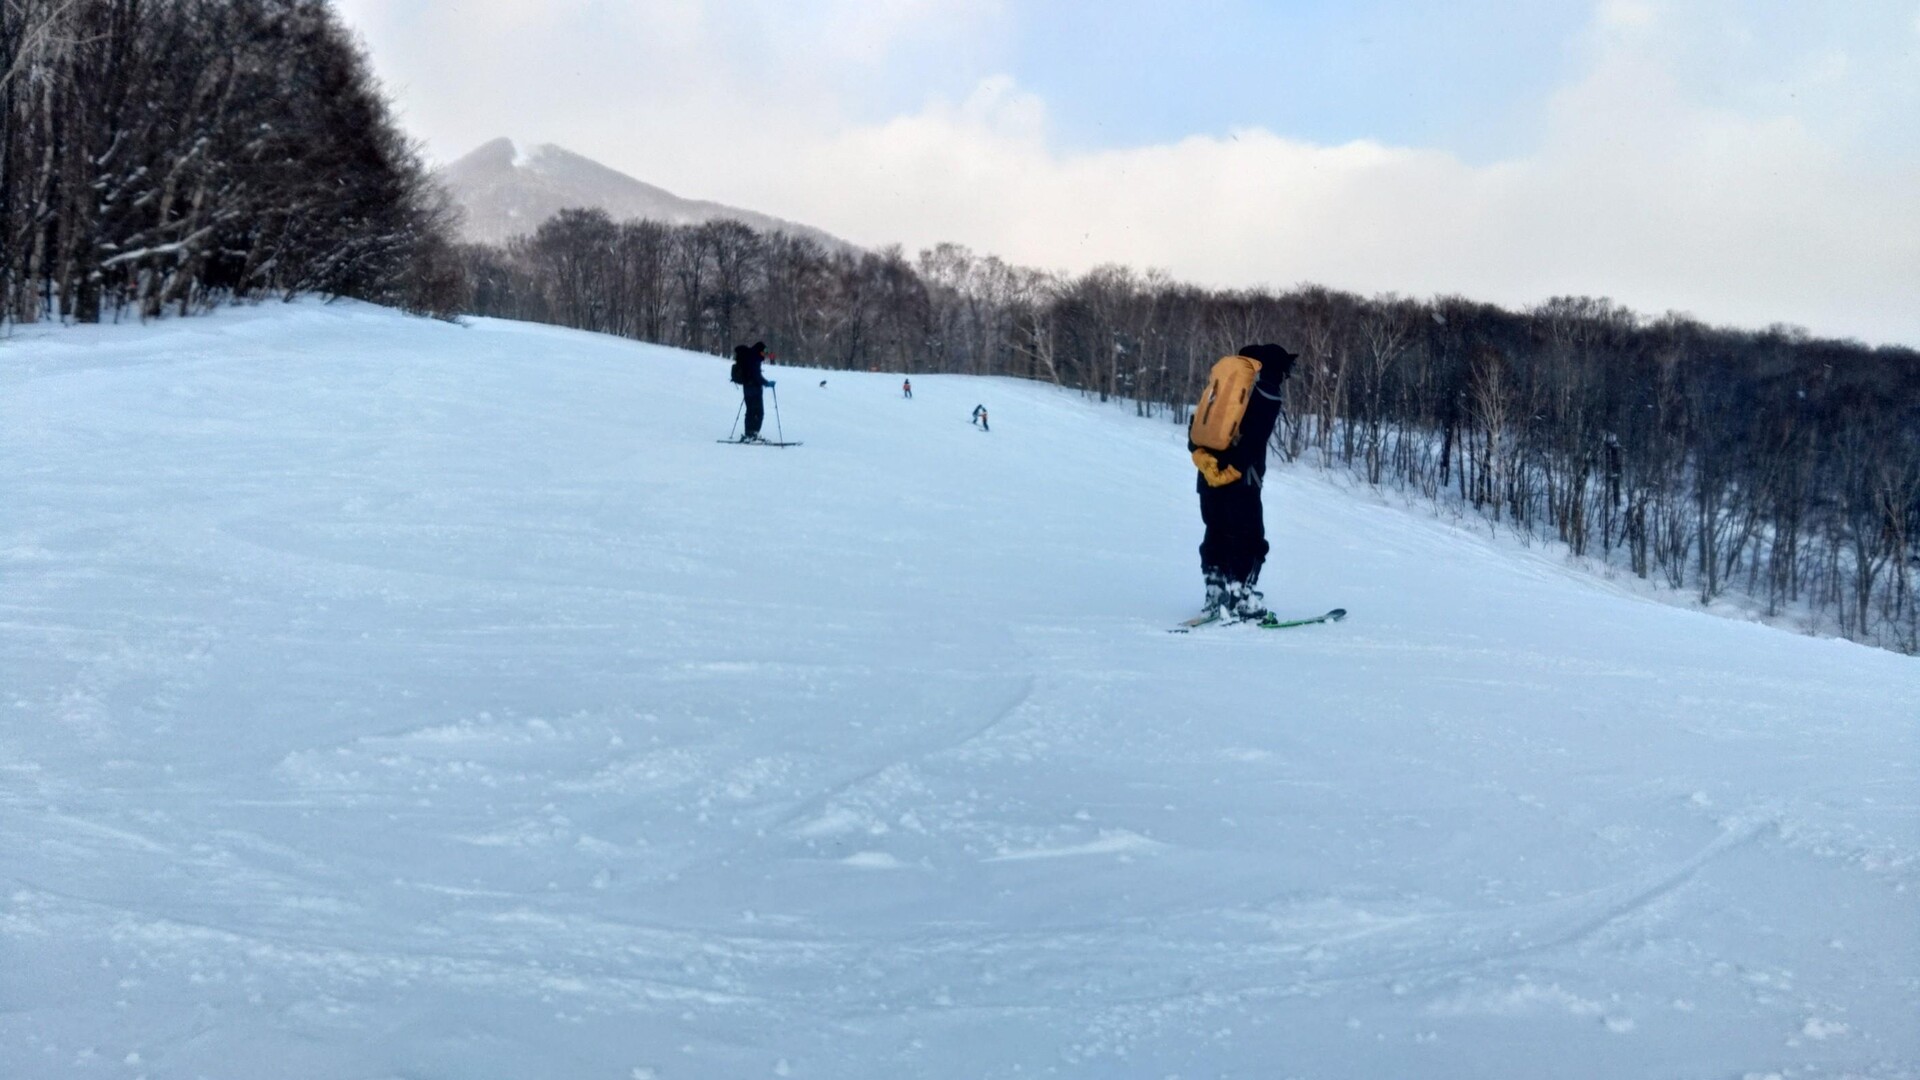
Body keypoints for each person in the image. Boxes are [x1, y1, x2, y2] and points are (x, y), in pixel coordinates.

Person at [1192, 343, 1296, 621]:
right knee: (1249, 539)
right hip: (1240, 481)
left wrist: (1206, 462)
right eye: (1286, 370)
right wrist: (1234, 468)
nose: (1287, 376)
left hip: (1207, 476)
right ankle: (1241, 599)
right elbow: (1255, 437)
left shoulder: (1224, 386)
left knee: (1216, 532)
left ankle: (1215, 593)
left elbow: (1197, 428)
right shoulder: (1265, 391)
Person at [731, 341, 775, 442]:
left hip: (747, 388)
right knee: (758, 412)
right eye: (764, 352)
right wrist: (766, 383)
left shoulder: (748, 356)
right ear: (760, 351)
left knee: (750, 411)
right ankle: (753, 433)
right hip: (754, 388)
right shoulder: (755, 358)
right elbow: (756, 375)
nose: (765, 355)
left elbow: (753, 374)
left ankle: (749, 433)